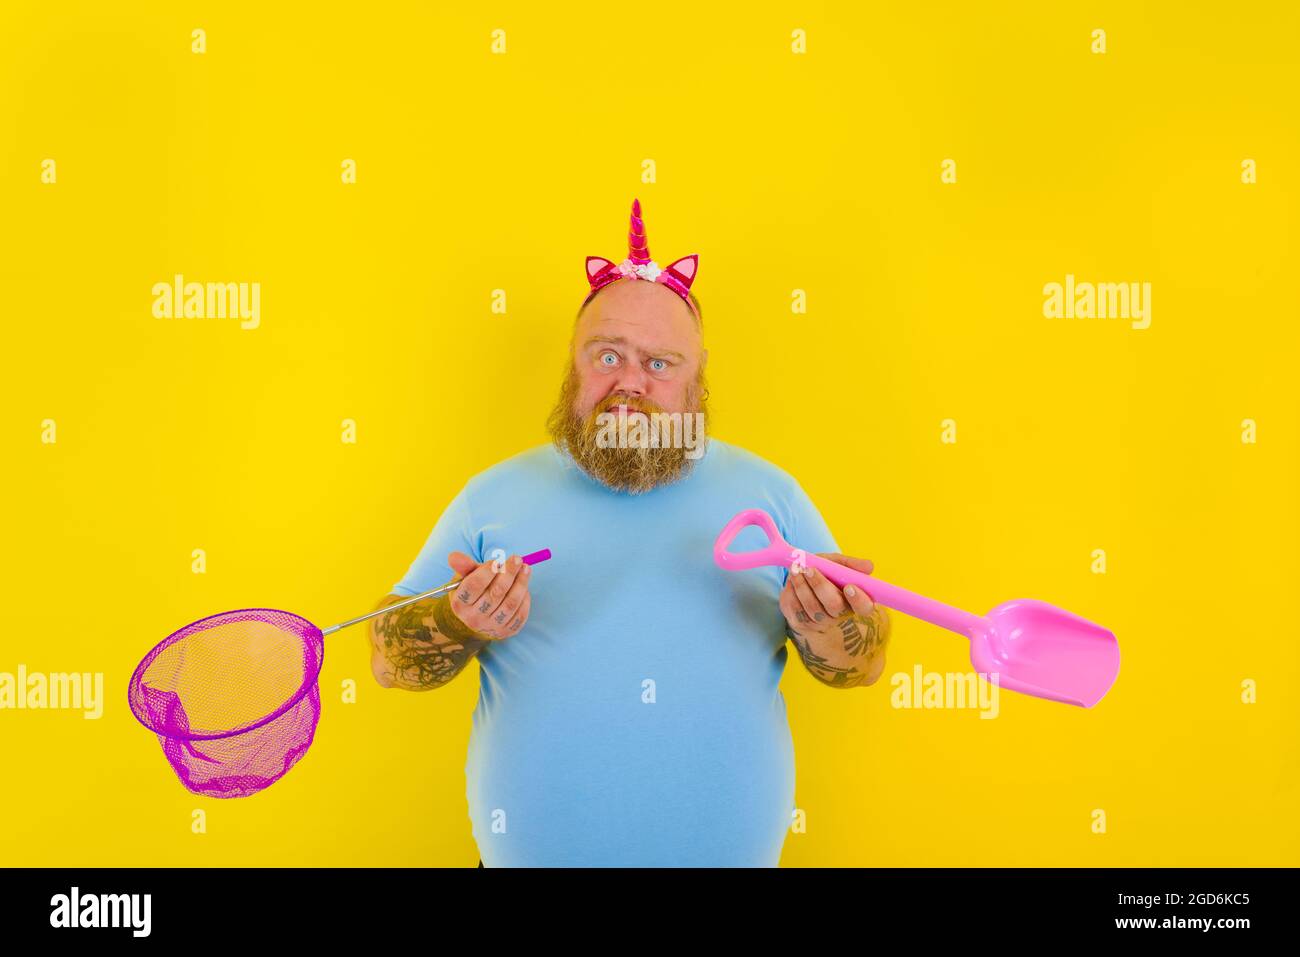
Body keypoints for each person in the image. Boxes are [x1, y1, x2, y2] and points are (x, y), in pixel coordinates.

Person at [368, 199, 890, 867]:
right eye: (606, 354)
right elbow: (389, 663)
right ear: (574, 364)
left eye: (661, 365)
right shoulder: (490, 497)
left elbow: (862, 664)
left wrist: (828, 627)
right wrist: (456, 618)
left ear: (697, 382)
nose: (629, 384)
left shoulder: (771, 495)